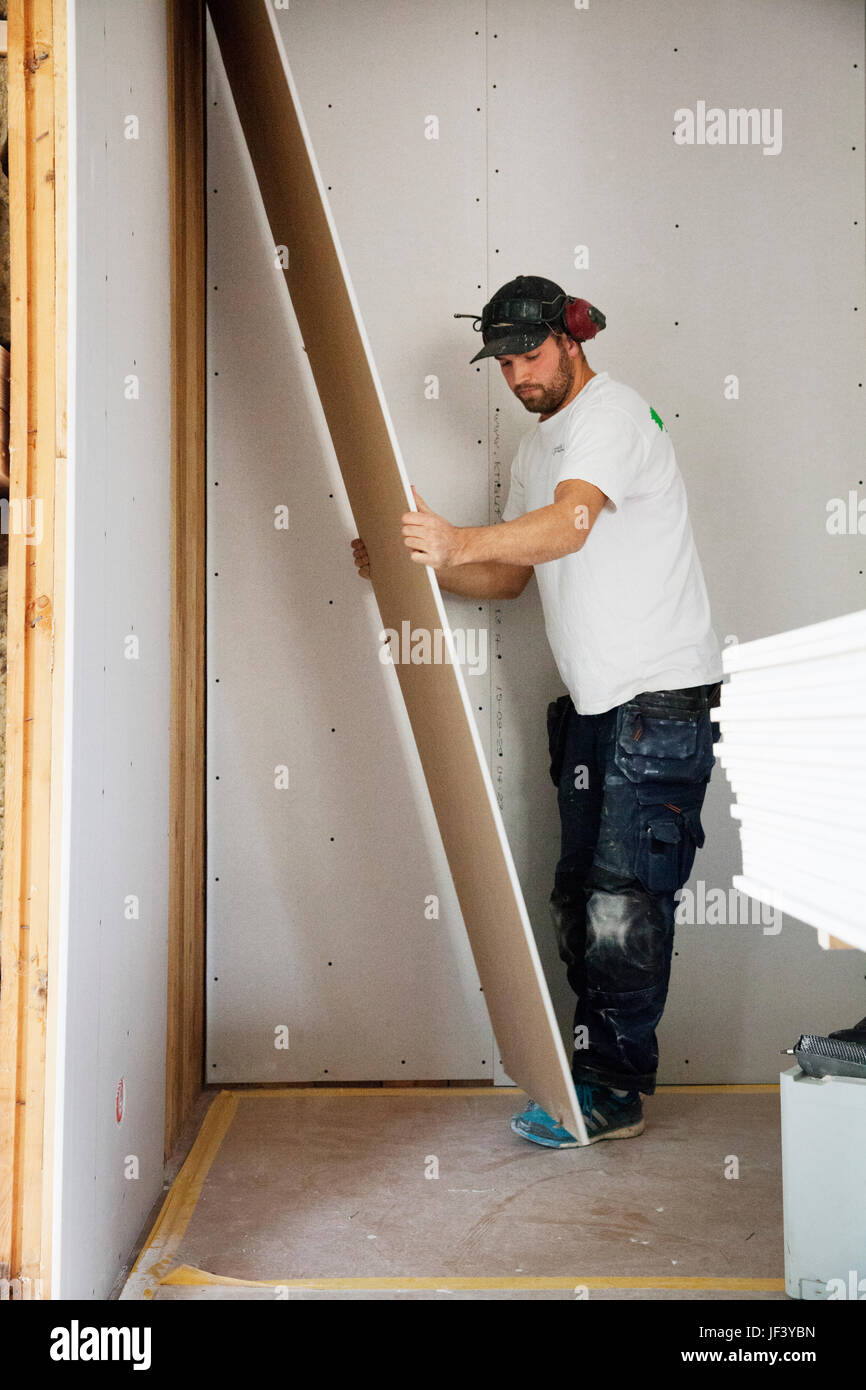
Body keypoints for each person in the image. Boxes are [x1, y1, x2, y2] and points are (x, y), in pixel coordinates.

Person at [351, 274, 723, 1148]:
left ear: (572, 338)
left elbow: (571, 526)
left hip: (659, 698)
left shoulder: (611, 418)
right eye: (504, 363)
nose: (517, 376)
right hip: (599, 707)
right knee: (576, 899)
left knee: (622, 905)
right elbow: (511, 576)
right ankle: (587, 1071)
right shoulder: (539, 448)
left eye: (528, 354)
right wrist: (422, 566)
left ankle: (614, 1090)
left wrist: (459, 537)